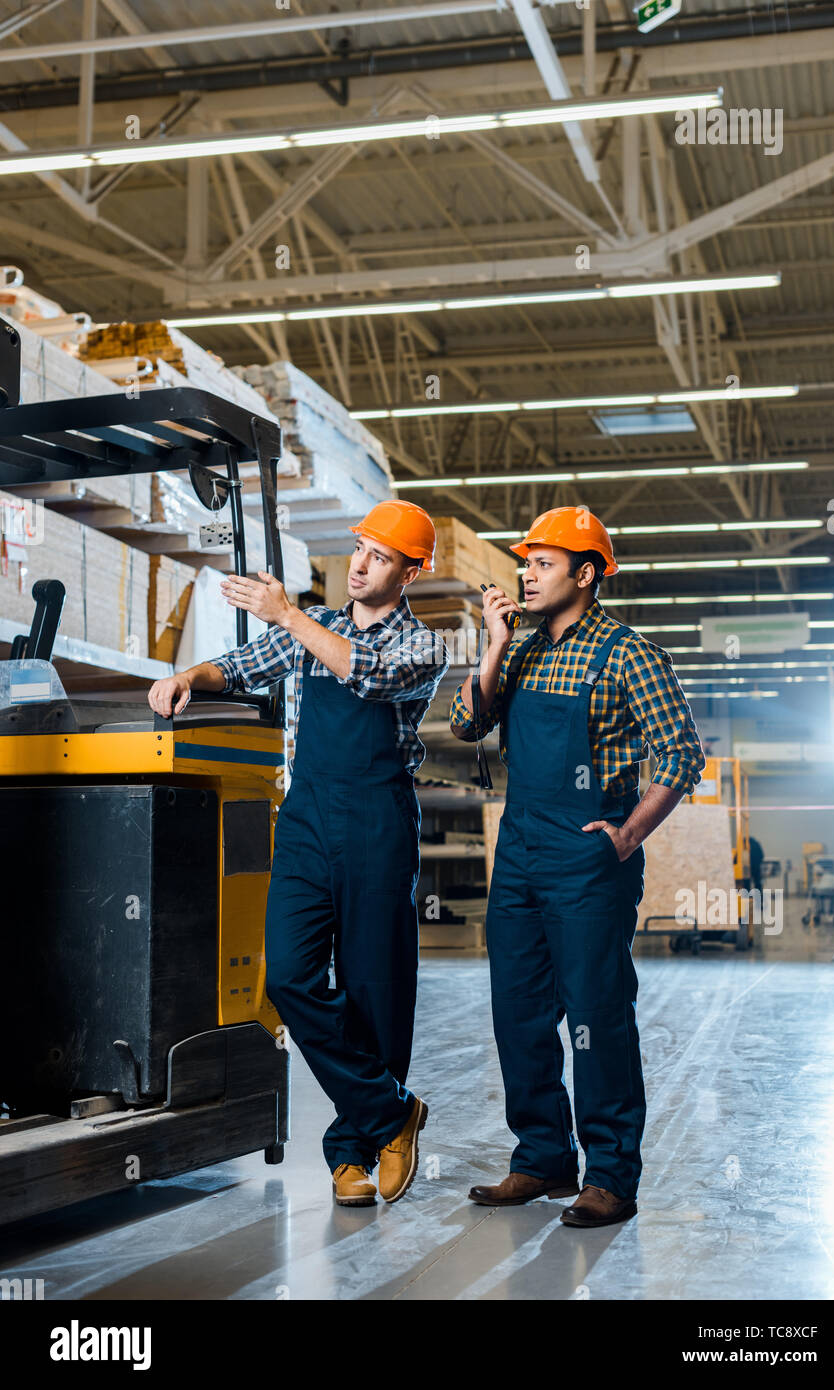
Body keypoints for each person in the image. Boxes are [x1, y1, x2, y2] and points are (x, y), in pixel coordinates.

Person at [148, 500, 449, 1208]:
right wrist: (191, 677)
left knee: (375, 989)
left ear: (409, 571)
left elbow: (365, 674)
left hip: (378, 820)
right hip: (309, 817)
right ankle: (392, 1114)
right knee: (286, 975)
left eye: (379, 556)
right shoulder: (319, 629)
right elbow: (243, 665)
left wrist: (289, 616)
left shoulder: (422, 647)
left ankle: (351, 1154)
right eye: (359, 549)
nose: (360, 564)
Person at [450, 506, 705, 1228]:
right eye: (524, 564)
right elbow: (468, 723)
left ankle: (610, 1177)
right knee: (518, 1013)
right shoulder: (524, 650)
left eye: (542, 564)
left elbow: (682, 755)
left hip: (587, 860)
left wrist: (624, 837)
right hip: (522, 852)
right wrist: (494, 645)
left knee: (596, 1018)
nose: (525, 576)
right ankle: (541, 1160)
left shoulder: (628, 654)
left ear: (585, 574)